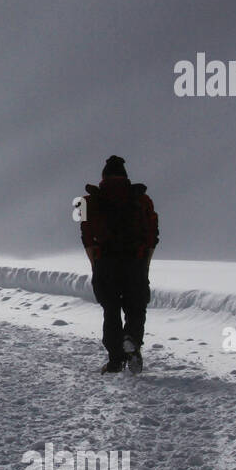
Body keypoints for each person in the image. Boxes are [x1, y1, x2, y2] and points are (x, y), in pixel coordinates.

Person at [79, 155, 159, 373]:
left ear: (103, 176)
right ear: (125, 177)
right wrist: (146, 263)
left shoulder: (84, 201)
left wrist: (95, 263)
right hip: (135, 261)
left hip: (105, 263)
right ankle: (131, 339)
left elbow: (85, 234)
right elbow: (153, 233)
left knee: (111, 311)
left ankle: (115, 361)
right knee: (136, 308)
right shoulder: (143, 199)